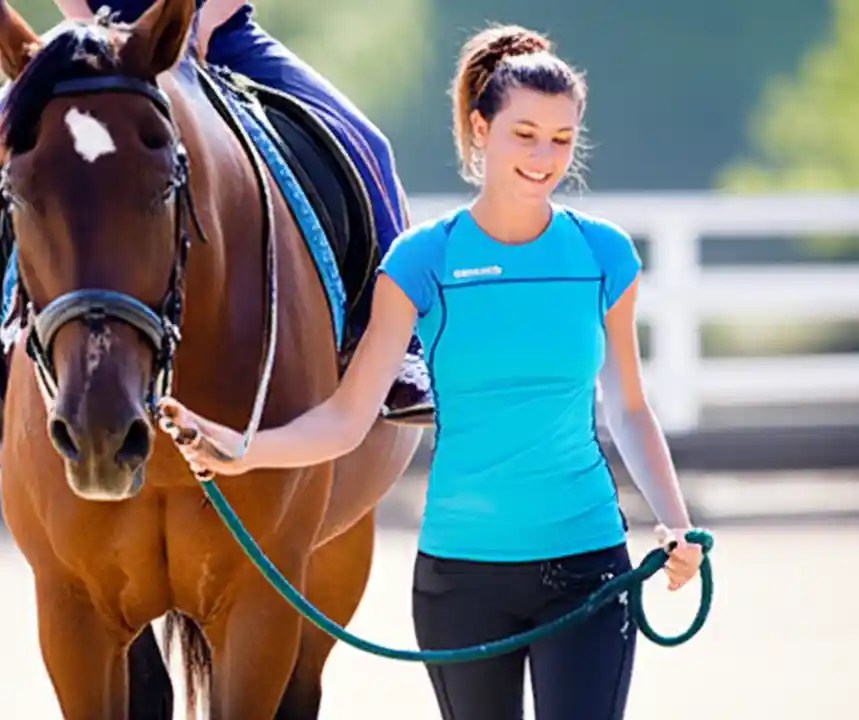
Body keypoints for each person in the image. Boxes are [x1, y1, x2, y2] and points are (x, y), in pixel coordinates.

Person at [160, 23, 706, 720]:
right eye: (525, 134)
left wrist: (674, 523)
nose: (544, 157)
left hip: (588, 567)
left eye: (562, 139)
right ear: (481, 130)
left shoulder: (605, 255)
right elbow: (348, 417)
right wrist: (242, 449)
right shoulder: (420, 261)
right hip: (461, 580)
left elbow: (629, 408)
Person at [0, 0, 434, 428]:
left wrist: (196, 27)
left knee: (367, 143)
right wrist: (89, 30)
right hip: (96, 40)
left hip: (219, 32)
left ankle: (394, 351)